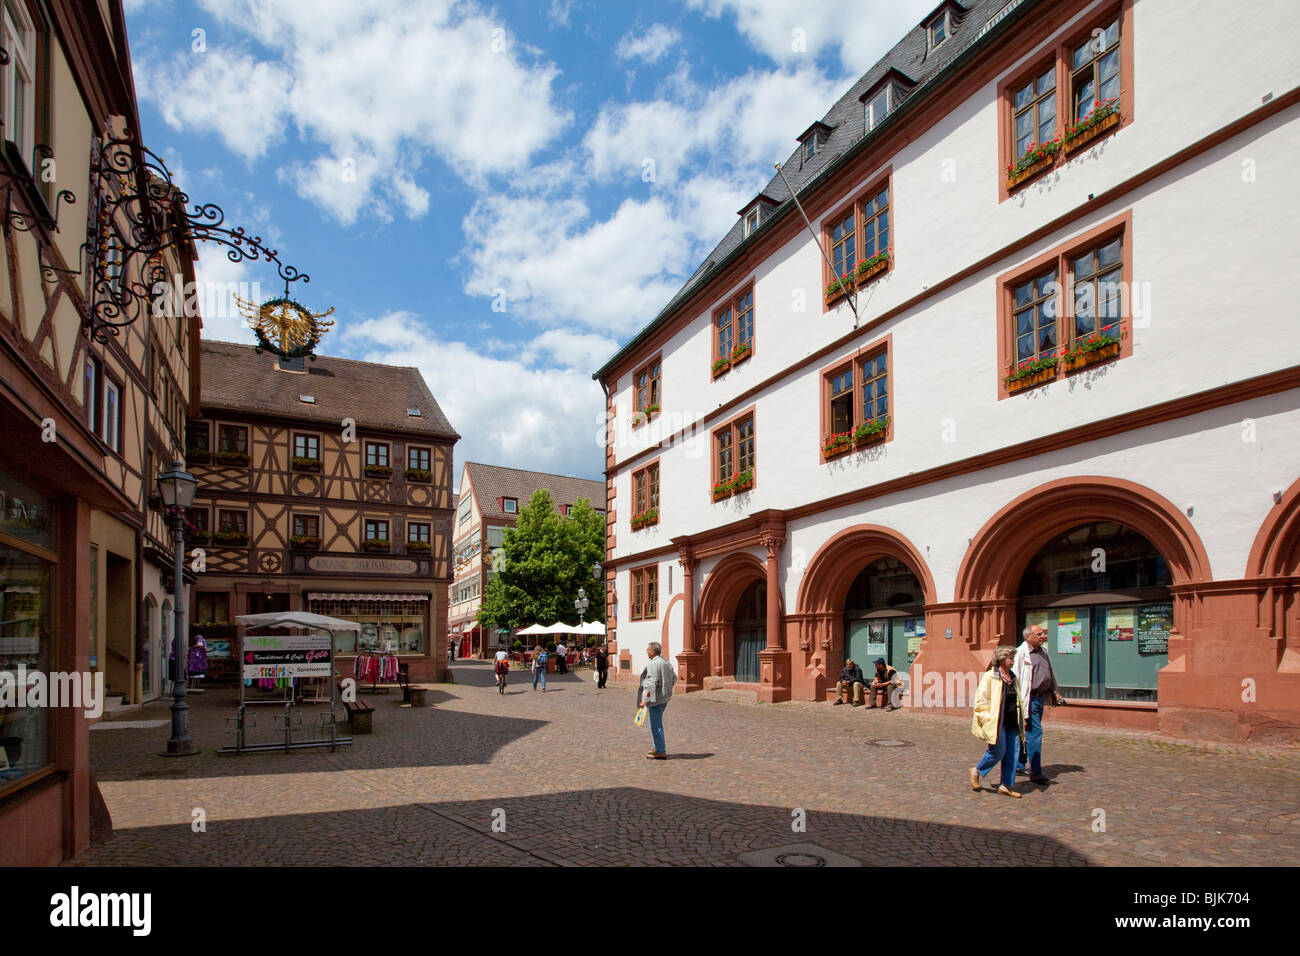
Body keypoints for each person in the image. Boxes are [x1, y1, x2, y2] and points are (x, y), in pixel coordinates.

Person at [968, 645, 1025, 798]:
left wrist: (1022, 718)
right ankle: (977, 770)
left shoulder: (1013, 678)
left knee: (1013, 752)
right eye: (1010, 658)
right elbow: (980, 701)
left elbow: (1018, 699)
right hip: (997, 722)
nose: (1012, 661)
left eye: (1013, 658)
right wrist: (987, 718)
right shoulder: (990, 676)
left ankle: (1006, 785)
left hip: (1013, 722)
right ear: (1001, 659)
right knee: (998, 751)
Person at [1013, 623, 1065, 784]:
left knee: (1026, 730)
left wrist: (1054, 690)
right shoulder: (1020, 653)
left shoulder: (1043, 651)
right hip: (1028, 698)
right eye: (1039, 634)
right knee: (1035, 732)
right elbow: (1015, 678)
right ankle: (1035, 772)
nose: (1043, 636)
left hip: (1040, 697)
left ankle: (1019, 764)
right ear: (1028, 637)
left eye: (1043, 633)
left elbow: (1049, 671)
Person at [639, 642, 677, 759]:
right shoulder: (666, 662)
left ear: (653, 651)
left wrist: (644, 700)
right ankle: (658, 746)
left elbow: (651, 683)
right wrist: (666, 689)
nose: (646, 651)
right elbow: (674, 678)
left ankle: (660, 750)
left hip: (656, 699)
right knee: (656, 723)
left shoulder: (653, 664)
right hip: (664, 698)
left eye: (648, 649)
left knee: (655, 725)